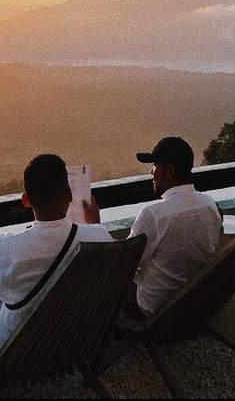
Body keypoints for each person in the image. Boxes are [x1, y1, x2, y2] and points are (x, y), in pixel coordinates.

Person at [0, 154, 113, 358]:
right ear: (69, 194)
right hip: (75, 341)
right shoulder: (100, 238)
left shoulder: (4, 249)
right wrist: (94, 225)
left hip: (15, 352)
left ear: (26, 200)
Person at [86, 136, 222, 318]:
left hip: (151, 306)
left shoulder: (155, 215)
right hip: (191, 301)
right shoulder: (209, 205)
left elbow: (122, 266)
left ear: (170, 170)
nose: (151, 172)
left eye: (155, 166)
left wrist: (95, 226)